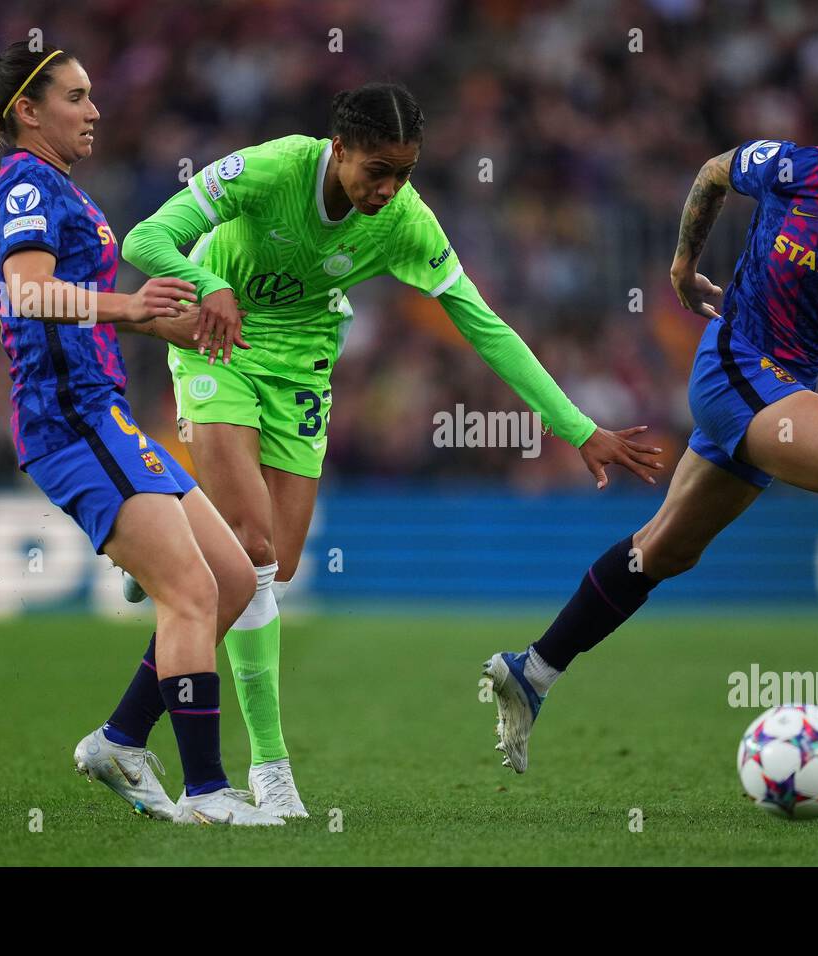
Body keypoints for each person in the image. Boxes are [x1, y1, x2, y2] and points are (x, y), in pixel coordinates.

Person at [120, 82, 663, 816]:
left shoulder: (406, 221)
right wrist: (207, 281)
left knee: (264, 573)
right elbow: (144, 239)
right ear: (337, 149)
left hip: (303, 363)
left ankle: (166, 563)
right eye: (377, 169)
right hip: (218, 339)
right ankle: (271, 771)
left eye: (404, 172)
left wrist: (576, 426)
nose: (389, 188)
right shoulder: (271, 169)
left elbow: (484, 325)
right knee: (253, 555)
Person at [485, 64, 818, 773]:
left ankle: (530, 672)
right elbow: (714, 172)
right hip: (736, 369)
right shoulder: (790, 169)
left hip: (783, 389)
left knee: (662, 551)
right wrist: (684, 267)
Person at [0, 41, 281, 824]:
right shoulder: (26, 187)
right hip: (70, 420)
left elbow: (73, 309)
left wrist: (157, 331)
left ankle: (122, 737)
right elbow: (28, 295)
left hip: (105, 413)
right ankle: (207, 794)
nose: (95, 110)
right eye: (76, 97)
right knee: (191, 591)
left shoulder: (60, 188)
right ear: (27, 112)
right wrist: (133, 307)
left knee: (233, 581)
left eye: (93, 95)